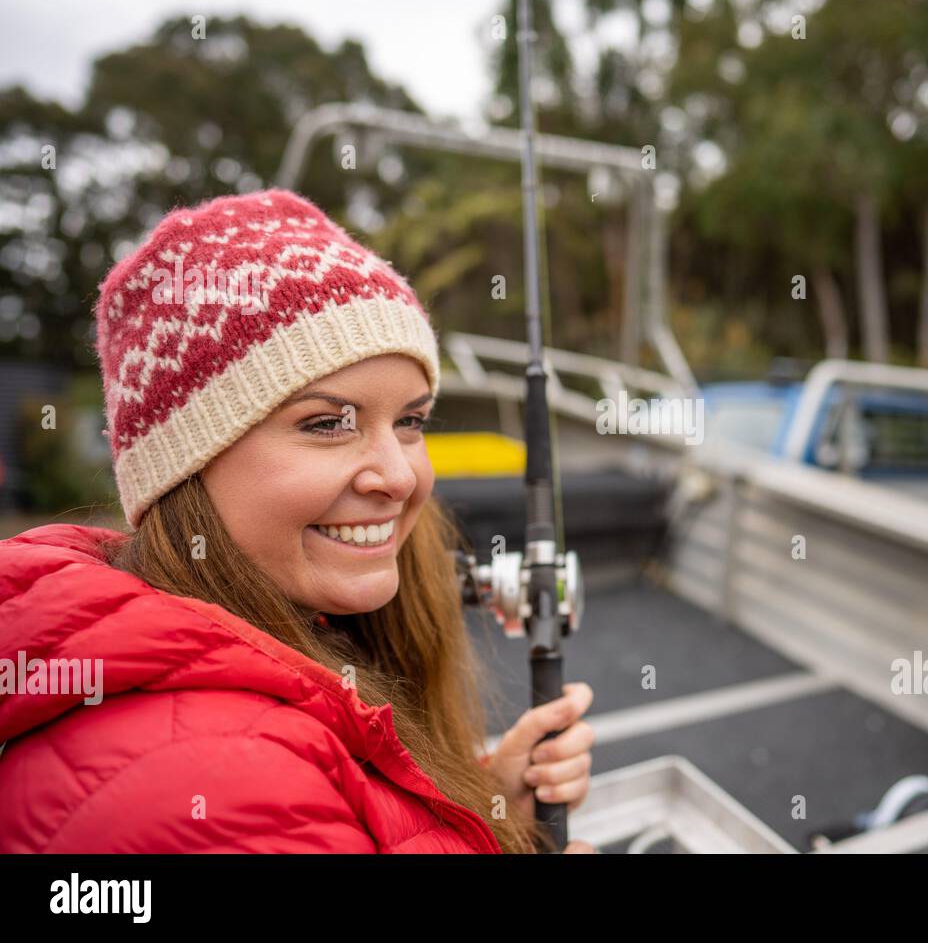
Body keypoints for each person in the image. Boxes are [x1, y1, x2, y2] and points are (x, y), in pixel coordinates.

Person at [0, 189, 594, 853]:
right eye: (326, 424)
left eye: (410, 421)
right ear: (185, 463)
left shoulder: (263, 657)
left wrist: (485, 812)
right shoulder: (215, 788)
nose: (397, 477)